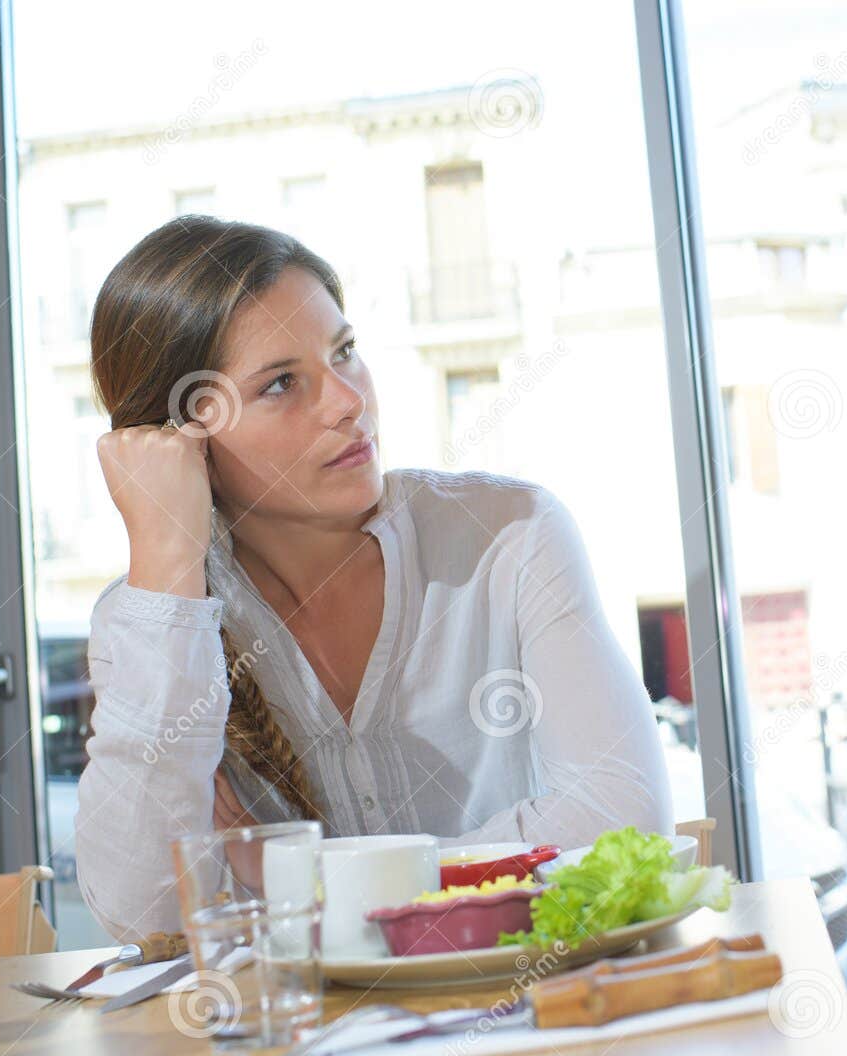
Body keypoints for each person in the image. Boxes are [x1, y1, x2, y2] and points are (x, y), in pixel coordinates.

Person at [74, 216, 672, 941]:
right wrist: (168, 565)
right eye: (282, 384)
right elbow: (143, 914)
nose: (348, 400)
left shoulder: (510, 534)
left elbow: (623, 812)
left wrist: (310, 878)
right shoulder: (145, 623)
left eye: (345, 352)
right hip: (306, 1047)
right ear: (179, 441)